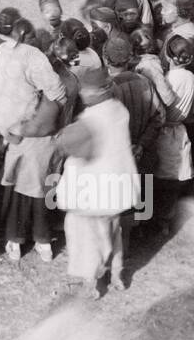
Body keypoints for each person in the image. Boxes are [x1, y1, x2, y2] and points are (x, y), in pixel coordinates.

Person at [52, 67, 140, 298]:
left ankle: (93, 282)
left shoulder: (90, 120)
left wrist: (60, 138)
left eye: (84, 90)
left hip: (94, 194)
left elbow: (68, 144)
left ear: (93, 93)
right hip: (118, 188)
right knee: (114, 234)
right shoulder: (119, 111)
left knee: (91, 241)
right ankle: (117, 275)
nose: (81, 94)